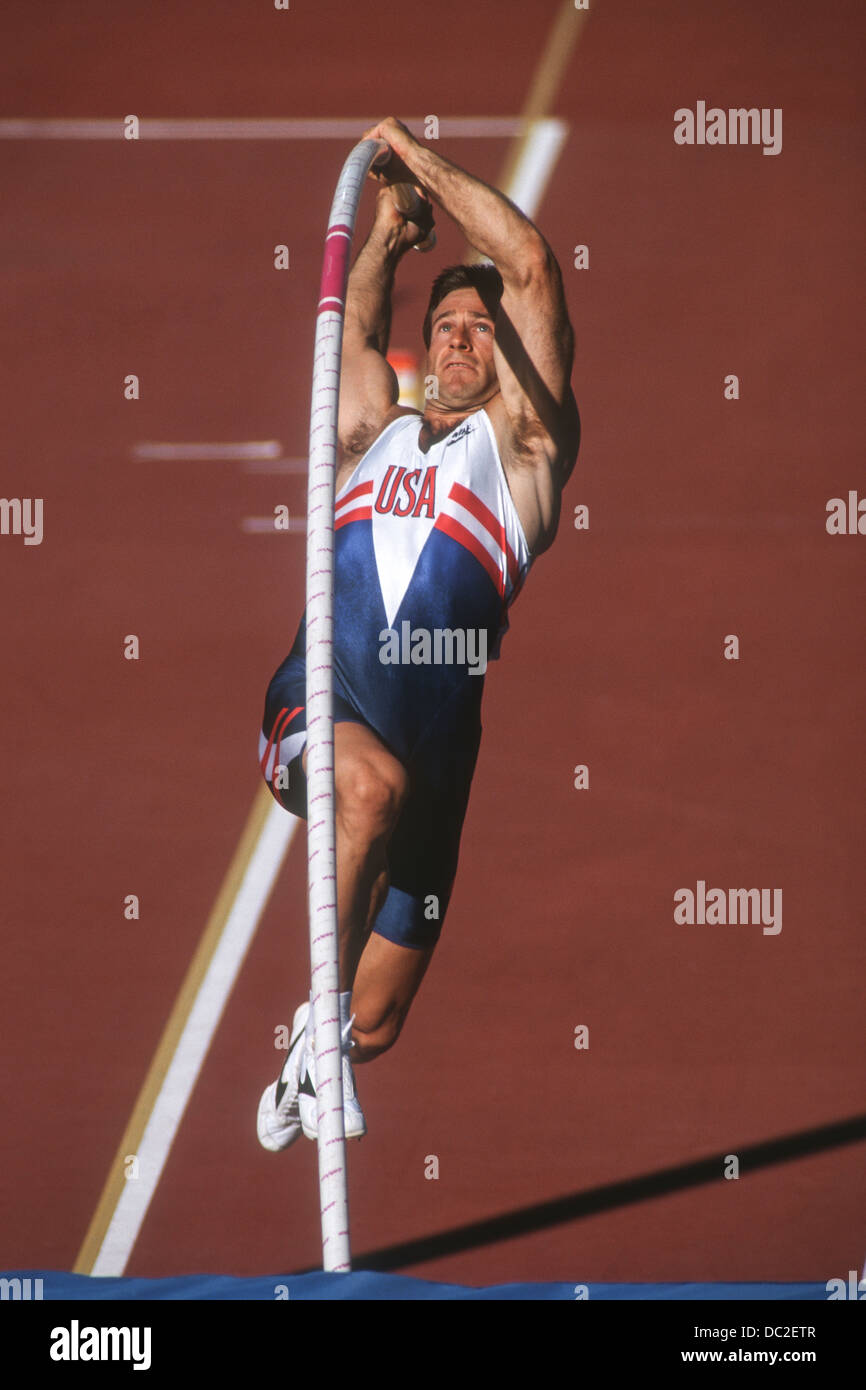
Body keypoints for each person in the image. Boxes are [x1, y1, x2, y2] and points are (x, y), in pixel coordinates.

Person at [257, 116, 580, 1150]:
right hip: (313, 711)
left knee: (378, 1020)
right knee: (366, 789)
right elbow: (351, 336)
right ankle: (315, 1034)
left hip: (439, 774)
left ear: (510, 362)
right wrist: (388, 239)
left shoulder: (522, 457)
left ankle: (318, 1045)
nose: (454, 336)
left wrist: (416, 152)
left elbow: (526, 263)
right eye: (443, 322)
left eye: (478, 330)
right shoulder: (375, 429)